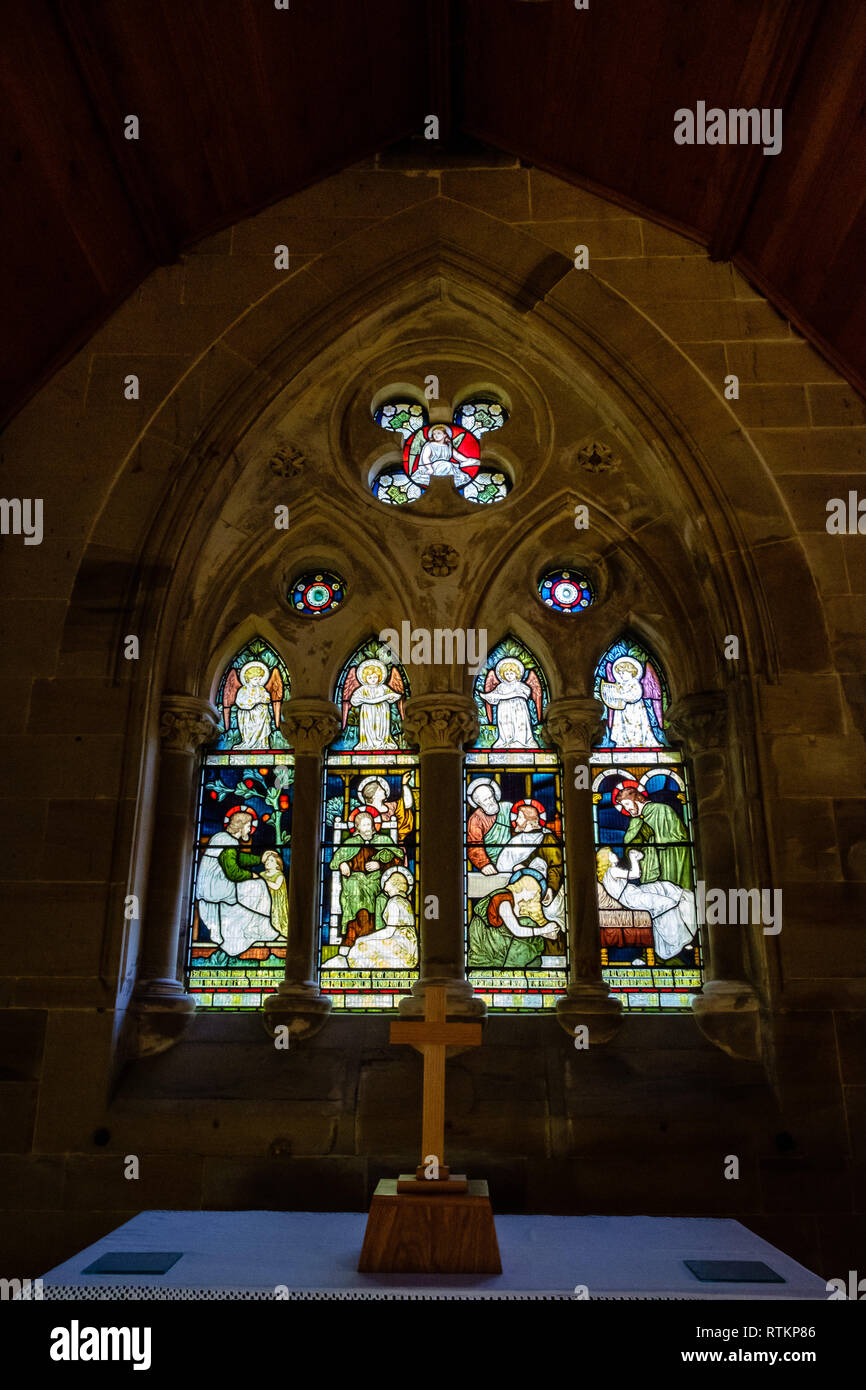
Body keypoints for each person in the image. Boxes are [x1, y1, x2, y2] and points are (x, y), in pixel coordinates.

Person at [196, 807, 280, 957]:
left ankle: (258, 928)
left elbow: (237, 858)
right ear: (241, 826)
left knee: (256, 886)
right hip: (218, 887)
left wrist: (259, 859)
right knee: (258, 887)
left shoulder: (221, 838)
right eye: (248, 827)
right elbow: (233, 873)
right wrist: (251, 875)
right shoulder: (229, 842)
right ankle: (257, 930)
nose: (249, 830)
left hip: (211, 885)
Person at [596, 847, 696, 961]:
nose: (615, 854)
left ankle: (684, 932)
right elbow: (635, 874)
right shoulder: (611, 871)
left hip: (634, 892)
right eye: (611, 854)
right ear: (606, 858)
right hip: (633, 898)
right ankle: (676, 942)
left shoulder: (608, 875)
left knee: (662, 887)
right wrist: (633, 858)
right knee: (667, 903)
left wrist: (635, 858)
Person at [330, 809, 404, 947]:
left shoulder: (383, 840)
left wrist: (380, 864)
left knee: (371, 894)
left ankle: (367, 936)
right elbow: (334, 862)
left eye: (369, 824)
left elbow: (398, 859)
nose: (367, 828)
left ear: (373, 825)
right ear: (357, 827)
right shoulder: (351, 842)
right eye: (363, 825)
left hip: (377, 879)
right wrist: (343, 864)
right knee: (355, 889)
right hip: (355, 879)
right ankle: (356, 936)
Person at [468, 869, 560, 969]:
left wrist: (545, 933)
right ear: (525, 887)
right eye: (534, 892)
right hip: (486, 942)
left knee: (530, 933)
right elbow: (516, 930)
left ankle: (518, 967)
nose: (534, 896)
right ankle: (510, 968)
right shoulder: (504, 900)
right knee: (527, 927)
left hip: (499, 939)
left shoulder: (519, 904)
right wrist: (543, 930)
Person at [613, 784, 693, 889]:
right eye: (624, 806)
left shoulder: (662, 810)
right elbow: (629, 844)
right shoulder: (635, 821)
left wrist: (653, 837)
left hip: (669, 861)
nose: (627, 808)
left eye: (627, 803)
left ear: (637, 798)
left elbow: (680, 839)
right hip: (648, 869)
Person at [466, 778, 513, 874]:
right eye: (485, 800)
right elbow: (474, 844)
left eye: (491, 797)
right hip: (493, 862)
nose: (490, 801)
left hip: (514, 855)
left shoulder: (507, 807)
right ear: (478, 803)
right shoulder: (476, 819)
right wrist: (484, 863)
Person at [357, 772, 414, 842]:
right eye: (380, 789)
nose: (384, 791)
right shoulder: (366, 813)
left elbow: (407, 804)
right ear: (374, 795)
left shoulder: (391, 805)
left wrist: (404, 785)